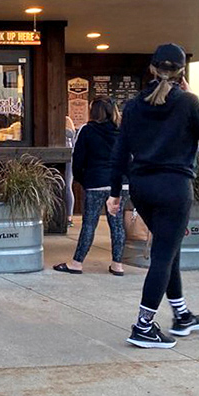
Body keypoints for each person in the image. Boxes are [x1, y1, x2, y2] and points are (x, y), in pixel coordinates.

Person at [107, 43, 199, 349]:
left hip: (141, 188)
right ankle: (143, 326)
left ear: (152, 69)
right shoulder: (188, 103)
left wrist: (115, 194)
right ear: (181, 73)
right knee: (163, 256)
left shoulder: (134, 106)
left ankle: (181, 315)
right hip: (174, 188)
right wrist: (197, 101)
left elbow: (119, 153)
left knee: (170, 249)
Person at [53, 98, 127, 276]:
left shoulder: (87, 130)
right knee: (117, 225)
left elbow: (77, 160)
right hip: (120, 183)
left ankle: (76, 263)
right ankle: (118, 265)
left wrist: (83, 180)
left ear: (94, 112)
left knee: (89, 224)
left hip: (95, 183)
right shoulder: (122, 131)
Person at [65, 115, 76, 227]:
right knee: (67, 187)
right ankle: (69, 216)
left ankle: (69, 216)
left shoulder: (66, 121)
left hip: (69, 159)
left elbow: (70, 134)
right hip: (70, 159)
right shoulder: (68, 121)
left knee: (67, 187)